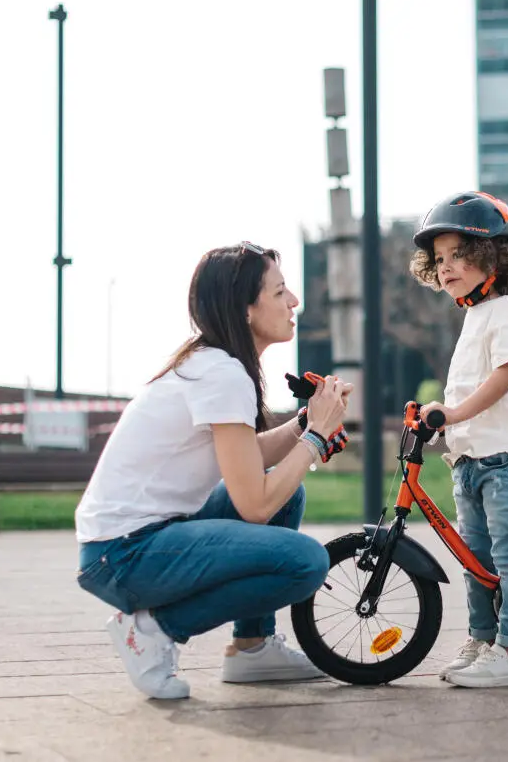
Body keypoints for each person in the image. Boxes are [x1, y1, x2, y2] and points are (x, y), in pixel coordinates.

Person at [74, 241, 352, 700]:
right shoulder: (222, 373)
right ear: (245, 309)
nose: (294, 302)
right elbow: (255, 505)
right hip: (122, 555)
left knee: (292, 495)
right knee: (305, 562)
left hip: (132, 542)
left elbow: (248, 459)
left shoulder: (216, 365)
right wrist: (316, 437)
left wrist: (304, 423)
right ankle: (154, 631)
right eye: (280, 292)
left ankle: (253, 647)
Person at [411, 191, 508, 688]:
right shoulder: (474, 317)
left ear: (493, 257)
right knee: (475, 562)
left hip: (504, 460)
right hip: (469, 461)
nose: (446, 267)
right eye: (439, 259)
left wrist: (456, 412)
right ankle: (482, 641)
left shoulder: (505, 310)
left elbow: (504, 375)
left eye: (458, 254)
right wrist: (440, 420)